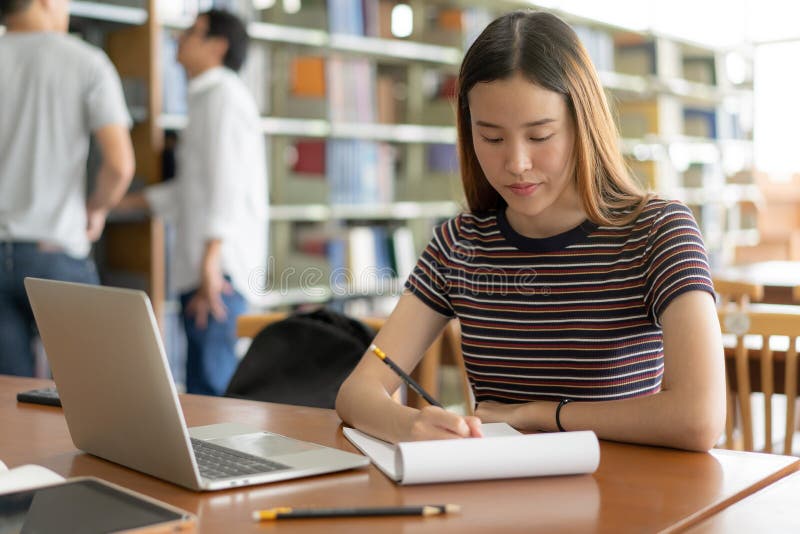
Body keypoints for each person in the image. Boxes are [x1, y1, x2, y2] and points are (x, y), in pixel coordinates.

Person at [336, 10, 726, 452]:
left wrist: (541, 413)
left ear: (583, 125)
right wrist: (411, 426)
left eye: (539, 136)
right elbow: (356, 392)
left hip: (622, 498)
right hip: (498, 499)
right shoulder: (458, 244)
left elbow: (699, 419)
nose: (516, 163)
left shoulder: (659, 231)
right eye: (492, 138)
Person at [119, 10, 267, 396]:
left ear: (217, 46)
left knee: (214, 398)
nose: (178, 38)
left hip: (216, 277)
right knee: (203, 394)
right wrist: (117, 204)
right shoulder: (206, 99)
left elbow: (226, 184)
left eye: (191, 32)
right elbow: (191, 190)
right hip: (205, 270)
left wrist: (210, 264)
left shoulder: (224, 98)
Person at [0, 0, 135, 376]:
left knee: (6, 410)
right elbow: (120, 164)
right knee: (93, 394)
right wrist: (97, 208)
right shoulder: (86, 62)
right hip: (56, 252)